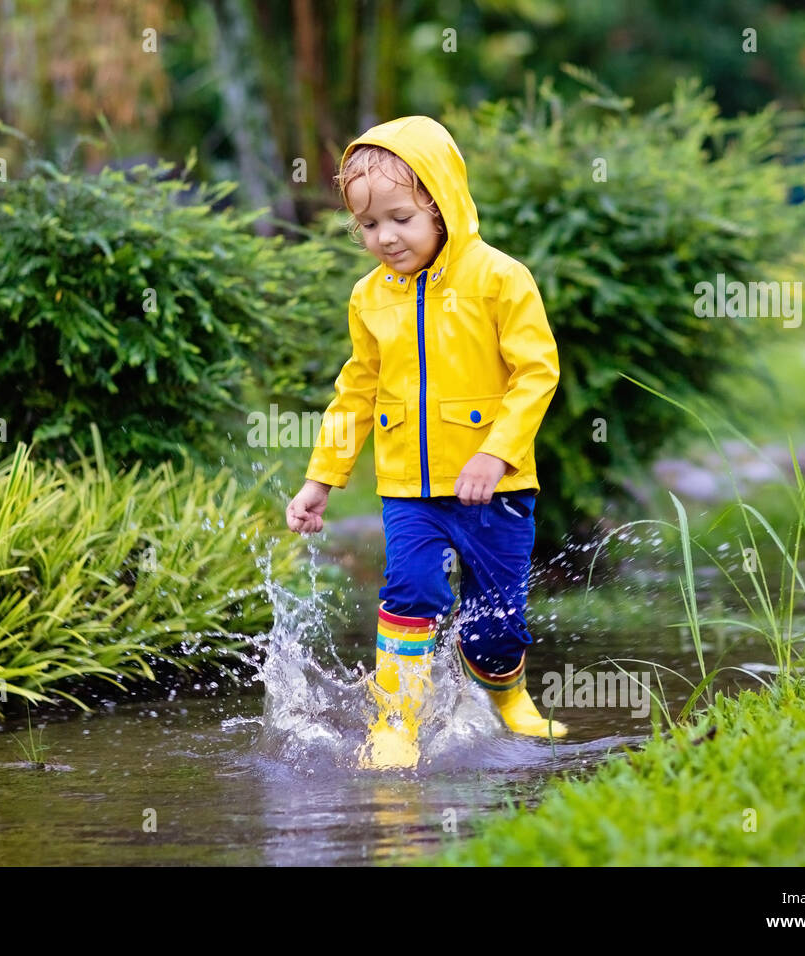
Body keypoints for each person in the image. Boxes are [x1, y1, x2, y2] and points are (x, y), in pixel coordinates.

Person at [284, 115, 566, 770]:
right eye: (369, 224)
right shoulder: (369, 298)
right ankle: (396, 723)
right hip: (409, 488)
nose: (385, 237)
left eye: (400, 218)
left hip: (497, 485)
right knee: (410, 593)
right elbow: (356, 391)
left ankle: (507, 693)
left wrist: (495, 452)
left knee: (496, 623)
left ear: (442, 205)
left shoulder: (500, 278)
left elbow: (537, 372)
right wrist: (319, 481)